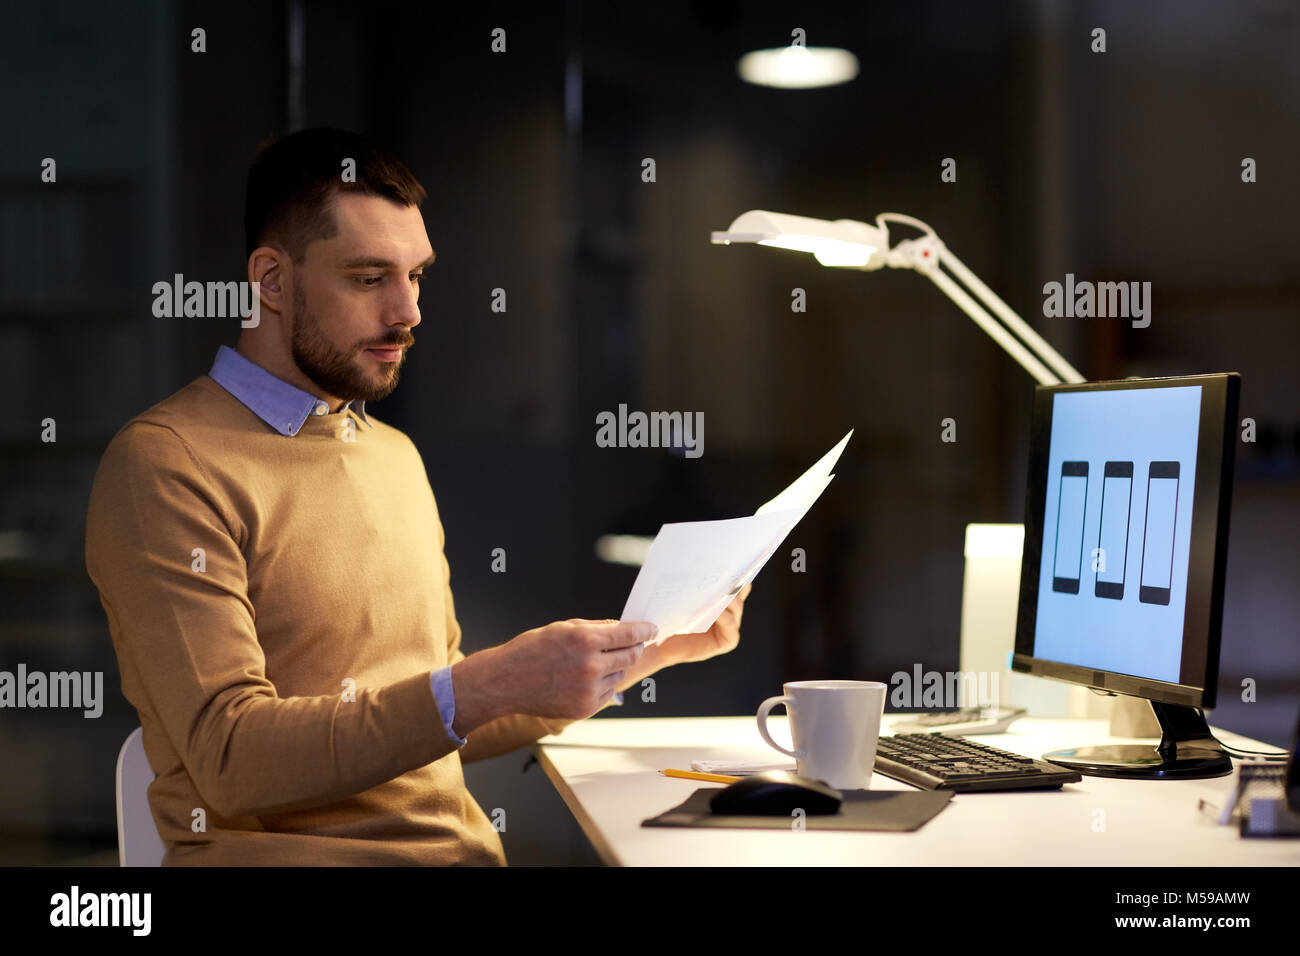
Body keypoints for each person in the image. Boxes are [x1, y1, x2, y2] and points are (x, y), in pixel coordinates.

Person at [85, 127, 749, 865]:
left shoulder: (392, 455)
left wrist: (644, 652)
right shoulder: (166, 465)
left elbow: (439, 712)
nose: (408, 313)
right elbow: (231, 756)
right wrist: (481, 685)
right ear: (271, 281)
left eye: (418, 275)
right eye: (370, 279)